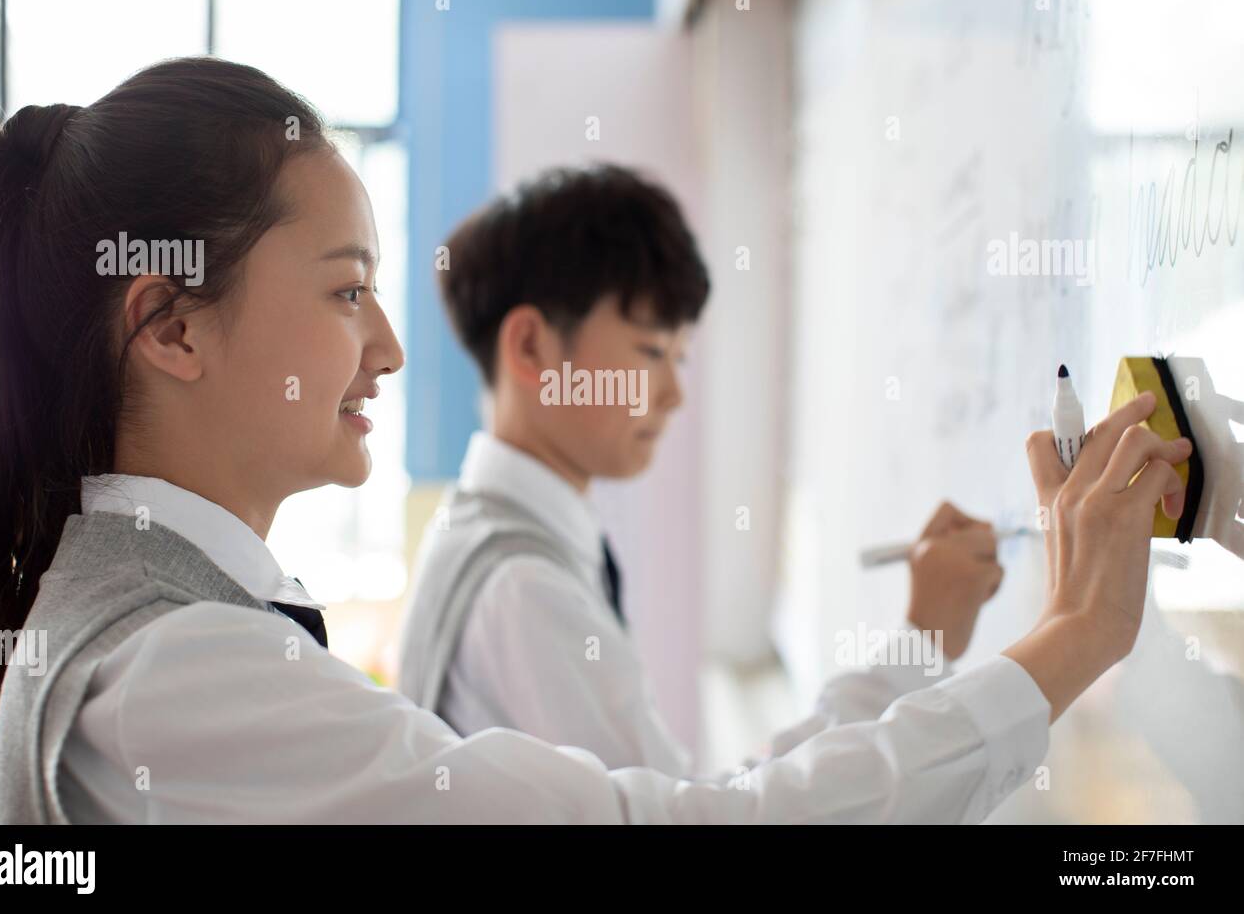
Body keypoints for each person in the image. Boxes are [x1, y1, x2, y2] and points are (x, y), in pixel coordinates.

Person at [0, 57, 1192, 823]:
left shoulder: (162, 626)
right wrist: (1065, 640)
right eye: (341, 291)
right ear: (168, 322)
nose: (383, 346)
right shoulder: (182, 673)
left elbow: (680, 802)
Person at [399, 165, 1010, 775]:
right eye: (651, 352)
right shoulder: (527, 587)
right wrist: (919, 648)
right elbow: (696, 818)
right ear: (531, 347)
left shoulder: (482, 532)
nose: (672, 395)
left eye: (680, 357)